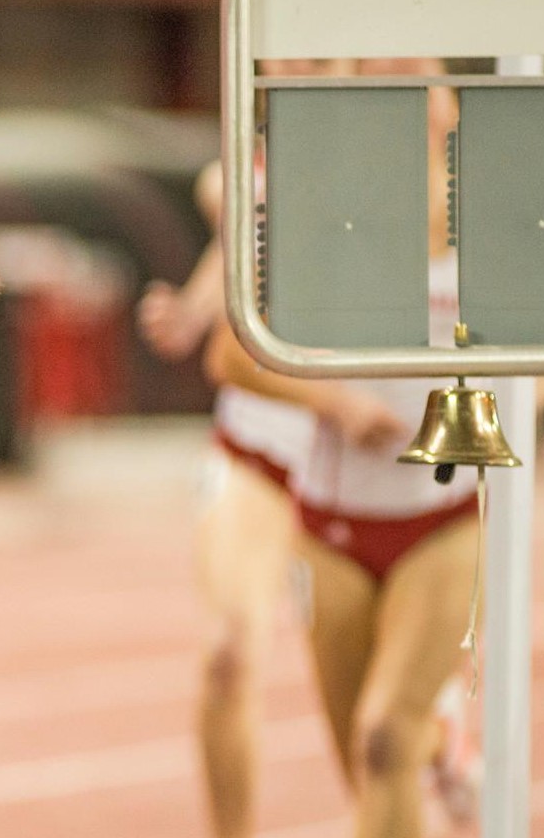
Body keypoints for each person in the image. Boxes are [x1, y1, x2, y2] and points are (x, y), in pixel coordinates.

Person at [207, 60, 489, 838]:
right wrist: (335, 402)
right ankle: (442, 741)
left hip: (445, 518)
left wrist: (487, 410)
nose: (409, 105)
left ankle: (430, 735)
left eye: (424, 86)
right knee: (368, 768)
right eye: (387, 88)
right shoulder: (325, 216)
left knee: (384, 736)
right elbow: (232, 355)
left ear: (452, 106)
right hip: (331, 522)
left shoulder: (491, 224)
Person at [138, 57, 336, 838]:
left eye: (316, 56)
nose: (295, 68)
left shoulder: (407, 165)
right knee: (227, 653)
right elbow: (239, 241)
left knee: (378, 719)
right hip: (257, 446)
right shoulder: (236, 181)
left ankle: (442, 721)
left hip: (359, 459)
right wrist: (192, 312)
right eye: (281, 54)